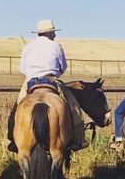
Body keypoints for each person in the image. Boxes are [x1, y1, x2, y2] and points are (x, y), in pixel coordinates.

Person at [7, 19, 87, 152]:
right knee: (74, 108)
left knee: (16, 109)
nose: (55, 35)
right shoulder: (56, 46)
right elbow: (63, 67)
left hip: (30, 82)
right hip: (51, 81)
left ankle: (13, 139)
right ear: (50, 33)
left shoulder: (28, 47)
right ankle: (78, 139)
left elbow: (23, 69)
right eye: (53, 33)